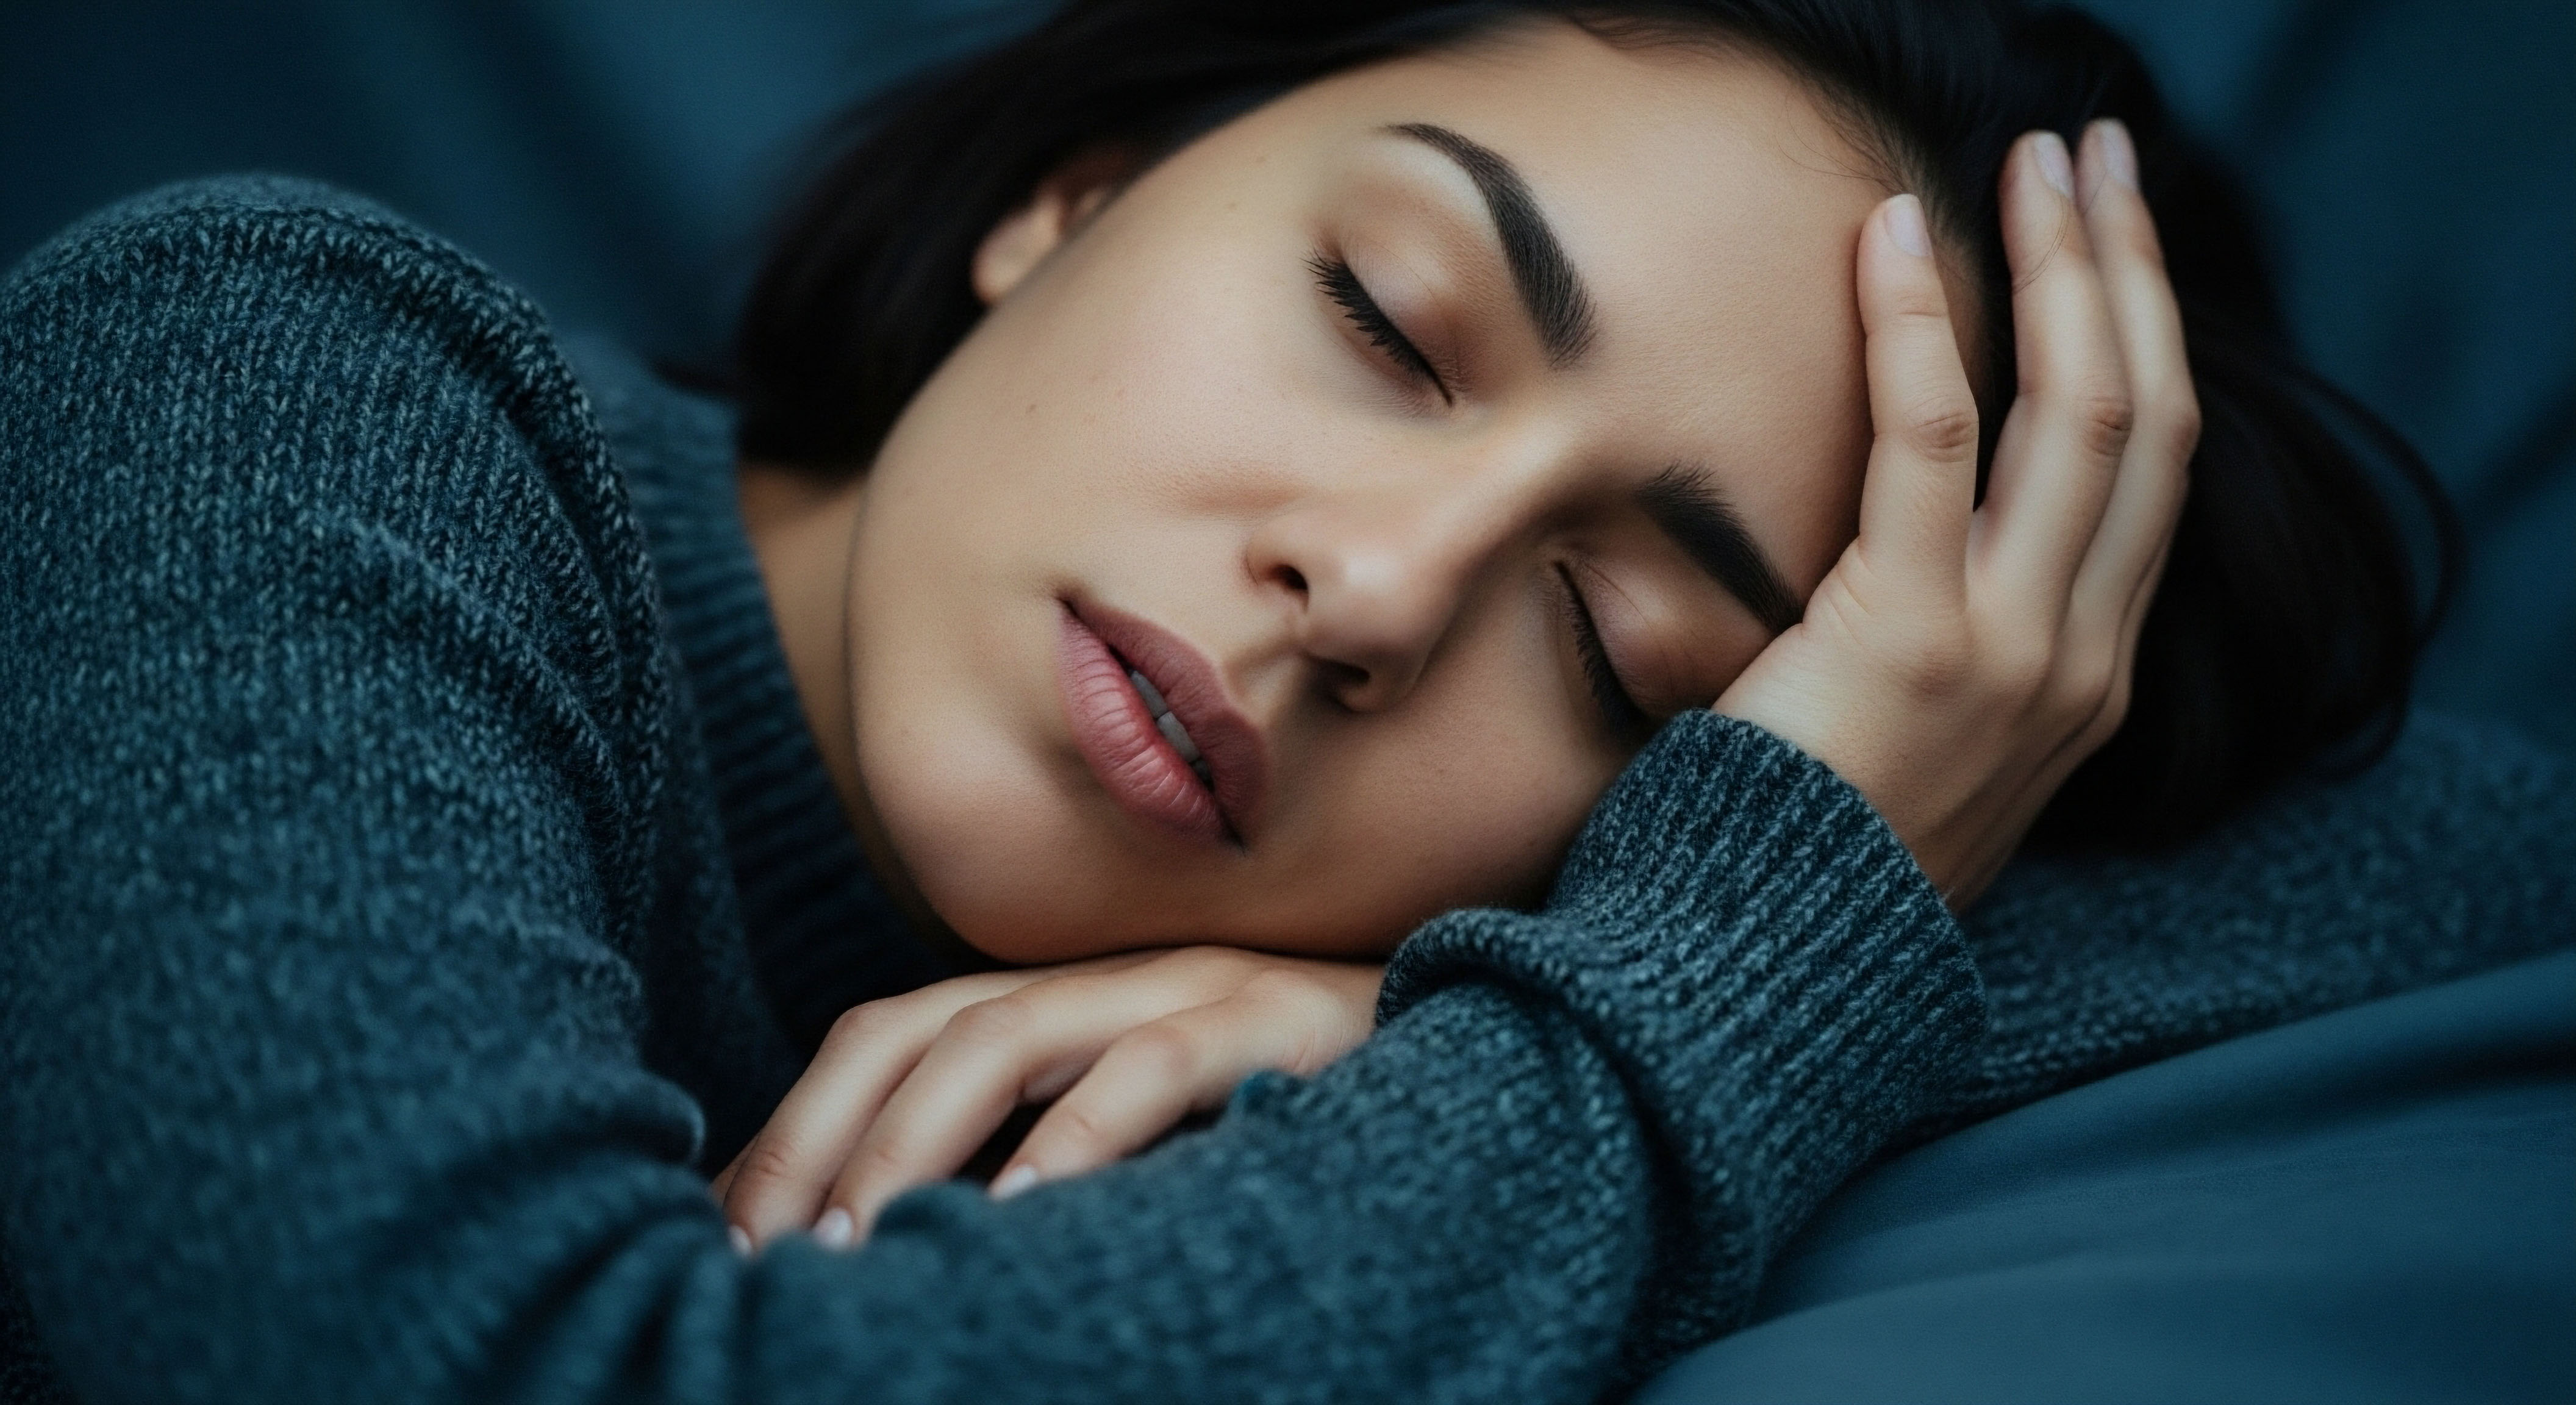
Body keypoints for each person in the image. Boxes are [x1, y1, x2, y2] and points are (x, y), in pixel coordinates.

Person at [0, 2, 2564, 1402]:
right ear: (1078, 196)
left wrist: (1751, 902)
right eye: (1383, 323)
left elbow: (2485, 868)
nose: (1375, 583)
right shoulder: (261, 387)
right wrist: (1665, 1018)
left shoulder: (1579, 937)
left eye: (1629, 660)